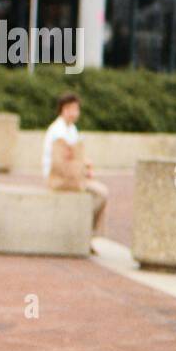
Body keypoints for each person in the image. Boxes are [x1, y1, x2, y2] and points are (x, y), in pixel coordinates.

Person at [43, 92, 109, 241]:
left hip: (70, 176)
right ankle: (87, 232)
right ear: (63, 109)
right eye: (71, 109)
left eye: (76, 109)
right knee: (101, 193)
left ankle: (89, 233)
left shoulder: (71, 129)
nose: (74, 113)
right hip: (59, 178)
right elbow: (67, 158)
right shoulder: (57, 130)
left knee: (100, 193)